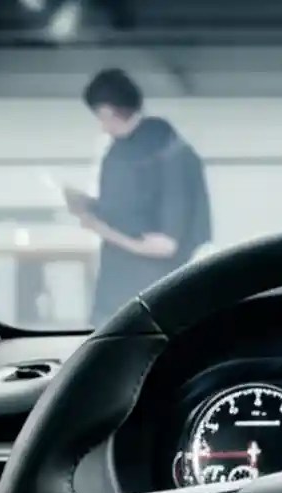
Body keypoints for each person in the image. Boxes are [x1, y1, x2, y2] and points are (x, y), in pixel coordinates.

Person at [65, 68, 211, 325]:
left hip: (147, 298)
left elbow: (164, 245)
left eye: (101, 116)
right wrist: (89, 206)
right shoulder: (125, 151)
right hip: (120, 291)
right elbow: (129, 211)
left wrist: (99, 227)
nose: (102, 127)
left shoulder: (169, 156)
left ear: (111, 111)